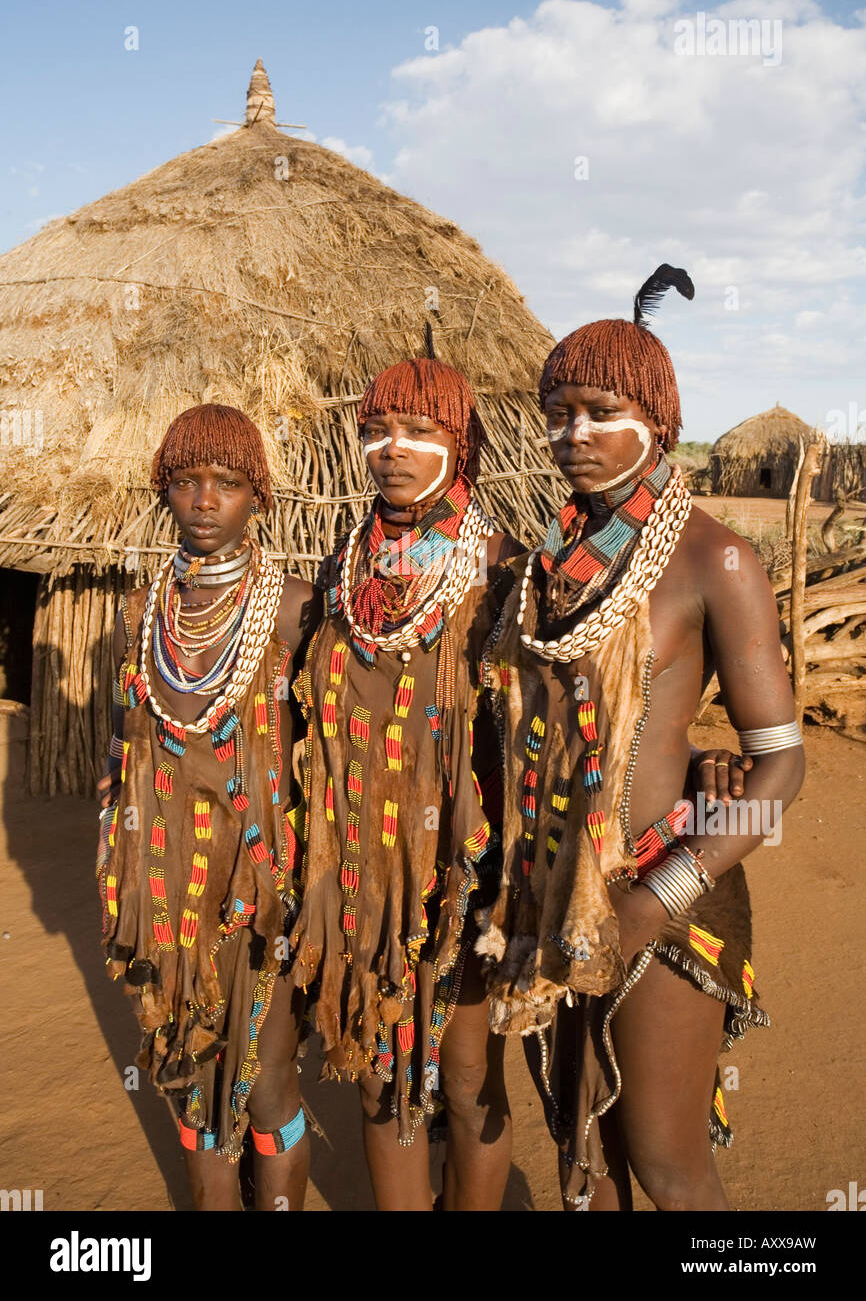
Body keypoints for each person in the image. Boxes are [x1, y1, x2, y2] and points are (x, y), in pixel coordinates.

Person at [479, 267, 805, 1211]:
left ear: (657, 415)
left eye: (599, 410)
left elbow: (781, 764)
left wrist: (645, 908)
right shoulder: (551, 561)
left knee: (669, 1165)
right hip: (555, 888)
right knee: (594, 1143)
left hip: (665, 897)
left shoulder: (716, 557)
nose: (572, 434)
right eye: (558, 412)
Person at [288, 348, 523, 1211]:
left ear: (459, 443)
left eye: (419, 431)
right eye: (377, 431)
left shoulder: (504, 569)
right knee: (378, 1071)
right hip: (356, 869)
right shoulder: (339, 567)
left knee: (463, 1080)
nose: (393, 448)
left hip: (463, 871)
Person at [96, 403, 318, 1211]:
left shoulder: (297, 609)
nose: (203, 500)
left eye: (226, 483)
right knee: (188, 1081)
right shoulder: (141, 610)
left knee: (268, 1082)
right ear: (164, 491)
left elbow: (328, 764)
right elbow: (129, 751)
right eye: (186, 482)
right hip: (164, 895)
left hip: (255, 891)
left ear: (256, 496)